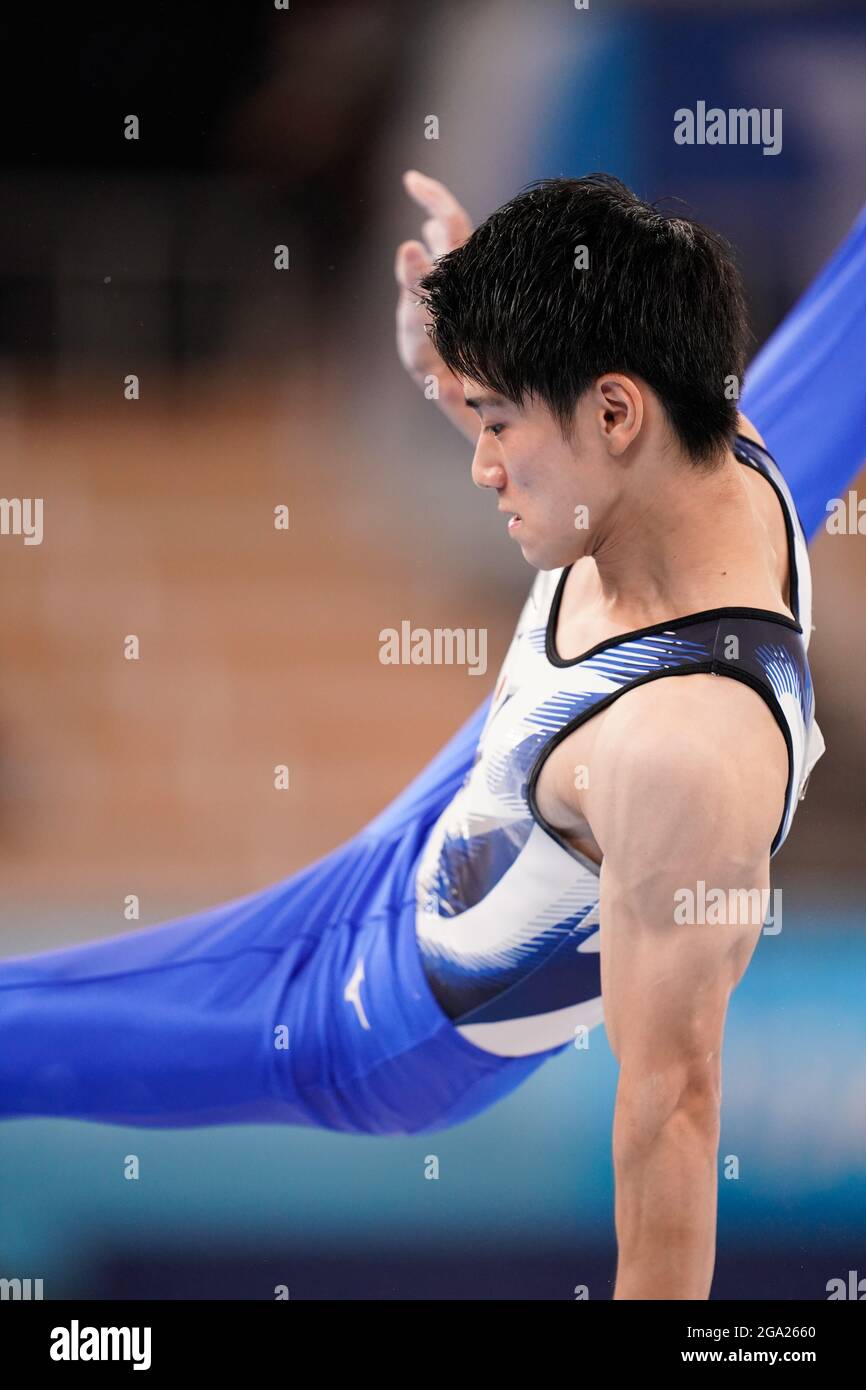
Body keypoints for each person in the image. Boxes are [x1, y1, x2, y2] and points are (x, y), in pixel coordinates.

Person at [1, 170, 864, 1301]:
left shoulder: (683, 759)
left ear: (611, 413)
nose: (477, 461)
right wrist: (478, 349)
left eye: (498, 422)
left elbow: (671, 1113)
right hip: (497, 795)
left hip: (373, 1008)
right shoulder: (723, 443)